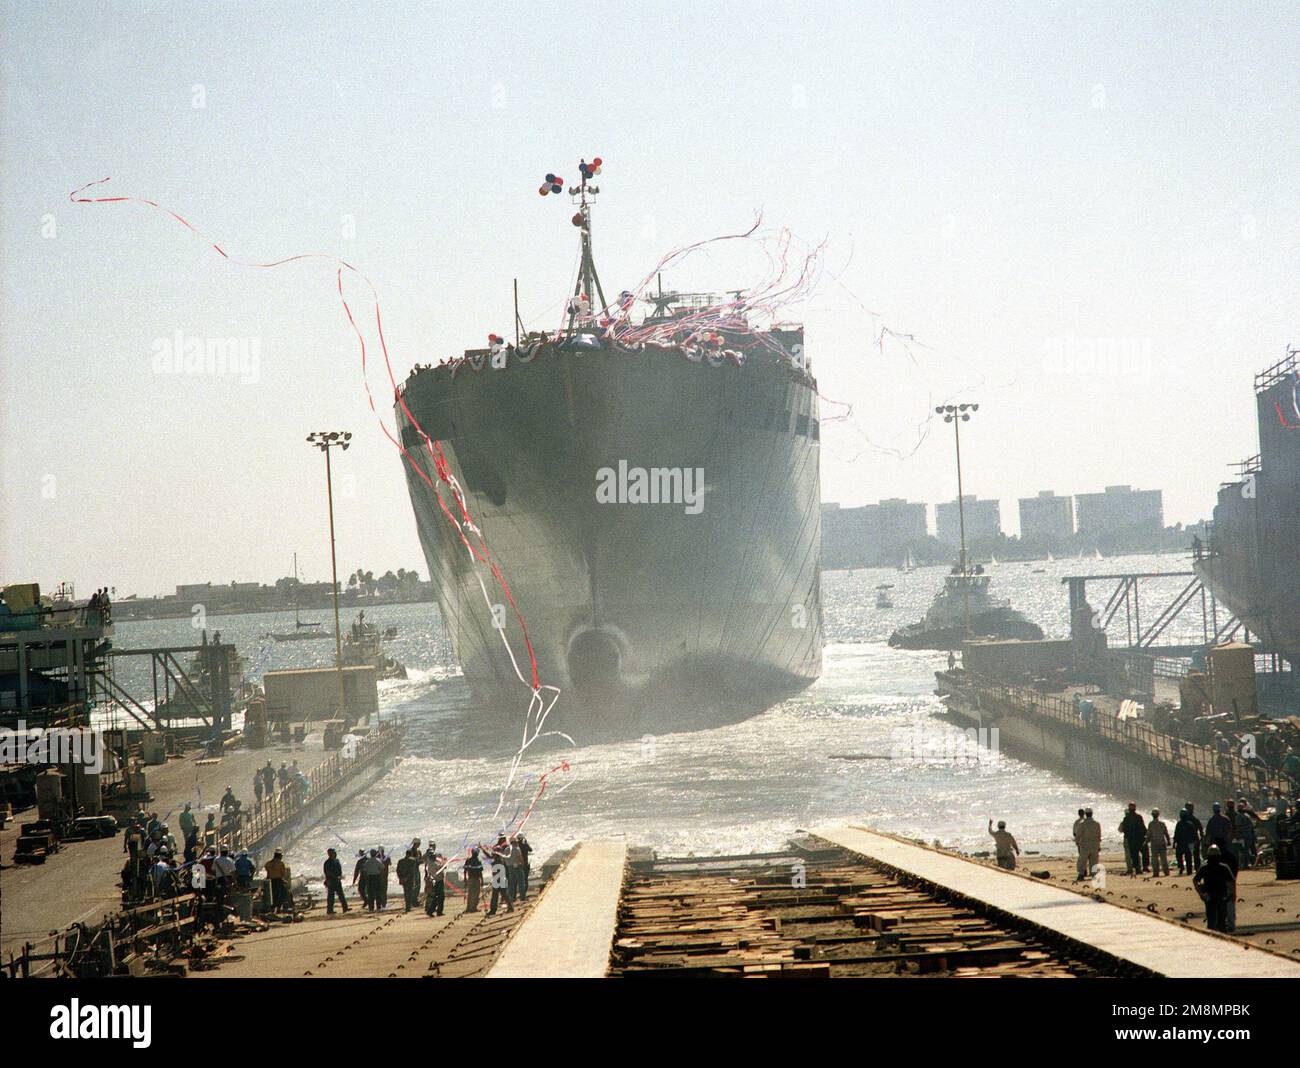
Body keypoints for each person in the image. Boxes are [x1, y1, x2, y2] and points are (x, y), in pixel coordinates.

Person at [1193, 845, 1235, 933]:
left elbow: (1195, 881)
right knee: (1222, 921)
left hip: (1210, 897)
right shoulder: (1224, 867)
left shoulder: (1204, 867)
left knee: (1211, 921)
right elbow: (1231, 882)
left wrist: (1201, 893)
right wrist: (1233, 894)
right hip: (1221, 896)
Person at [487, 834, 516, 914]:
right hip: (498, 877)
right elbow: (490, 858)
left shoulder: (499, 859)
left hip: (500, 877)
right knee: (499, 894)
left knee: (501, 894)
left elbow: (491, 859)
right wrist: (483, 849)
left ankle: (506, 908)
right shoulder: (499, 857)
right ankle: (495, 910)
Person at [1119, 802, 1148, 875]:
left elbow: (1124, 829)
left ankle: (1137, 869)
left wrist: (1128, 836)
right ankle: (1144, 867)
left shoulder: (1126, 818)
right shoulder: (1139, 817)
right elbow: (1143, 828)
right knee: (1144, 853)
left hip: (1131, 839)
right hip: (1139, 838)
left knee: (1134, 855)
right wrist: (1146, 835)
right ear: (1135, 808)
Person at [1174, 807, 1201, 875]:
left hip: (1182, 843)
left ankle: (1182, 868)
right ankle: (1188, 870)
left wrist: (1174, 842)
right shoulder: (1189, 824)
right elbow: (1194, 833)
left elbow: (1176, 834)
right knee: (1187, 856)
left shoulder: (1180, 823)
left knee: (1179, 856)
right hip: (1187, 843)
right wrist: (1196, 841)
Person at [1078, 807, 1101, 881]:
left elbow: (1078, 834)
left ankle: (1081, 874)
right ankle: (1094, 874)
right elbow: (1099, 836)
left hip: (1085, 845)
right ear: (1092, 814)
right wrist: (1098, 845)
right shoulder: (1097, 824)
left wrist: (1077, 842)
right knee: (1094, 861)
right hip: (1094, 845)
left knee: (1082, 860)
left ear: (1085, 814)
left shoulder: (1082, 824)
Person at [323, 848, 349, 914]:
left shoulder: (337, 860)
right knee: (331, 896)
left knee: (341, 895)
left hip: (337, 880)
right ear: (329, 854)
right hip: (331, 881)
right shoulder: (327, 862)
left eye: (335, 852)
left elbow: (339, 869)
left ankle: (345, 908)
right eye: (333, 852)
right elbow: (328, 872)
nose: (335, 854)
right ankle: (330, 910)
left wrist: (340, 876)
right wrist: (334, 877)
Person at [424, 843, 446, 917]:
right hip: (438, 881)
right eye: (433, 856)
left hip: (436, 881)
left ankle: (433, 911)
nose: (434, 856)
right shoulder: (432, 864)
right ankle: (436, 911)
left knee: (436, 897)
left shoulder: (431, 863)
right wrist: (444, 864)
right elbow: (441, 868)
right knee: (440, 897)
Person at [1147, 809, 1171, 876]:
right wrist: (1168, 841)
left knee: (1155, 859)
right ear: (1158, 815)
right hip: (1162, 843)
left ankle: (1156, 873)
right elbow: (1166, 834)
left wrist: (1146, 841)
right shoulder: (1162, 824)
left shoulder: (1151, 824)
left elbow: (1148, 835)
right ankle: (1166, 872)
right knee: (1164, 859)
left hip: (1154, 844)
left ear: (1152, 815)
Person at [463, 847, 484, 913]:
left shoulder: (468, 860)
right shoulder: (478, 862)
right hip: (476, 879)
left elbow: (465, 871)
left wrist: (465, 879)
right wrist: (482, 880)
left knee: (470, 894)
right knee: (476, 894)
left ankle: (469, 908)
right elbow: (480, 873)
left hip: (470, 879)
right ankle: (473, 908)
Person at [515, 835, 533, 900]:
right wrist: (526, 842)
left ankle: (520, 894)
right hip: (525, 863)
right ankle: (524, 893)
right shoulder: (525, 845)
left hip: (519, 864)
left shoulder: (516, 847)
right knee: (525, 879)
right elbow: (531, 850)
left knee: (518, 880)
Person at [1072, 808, 1088, 880]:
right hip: (1088, 841)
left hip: (1080, 842)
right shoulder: (1087, 821)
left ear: (1078, 814)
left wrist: (1077, 840)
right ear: (1084, 813)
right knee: (1088, 856)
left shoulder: (1076, 822)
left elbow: (1074, 833)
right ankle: (1086, 870)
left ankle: (1083, 870)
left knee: (1081, 856)